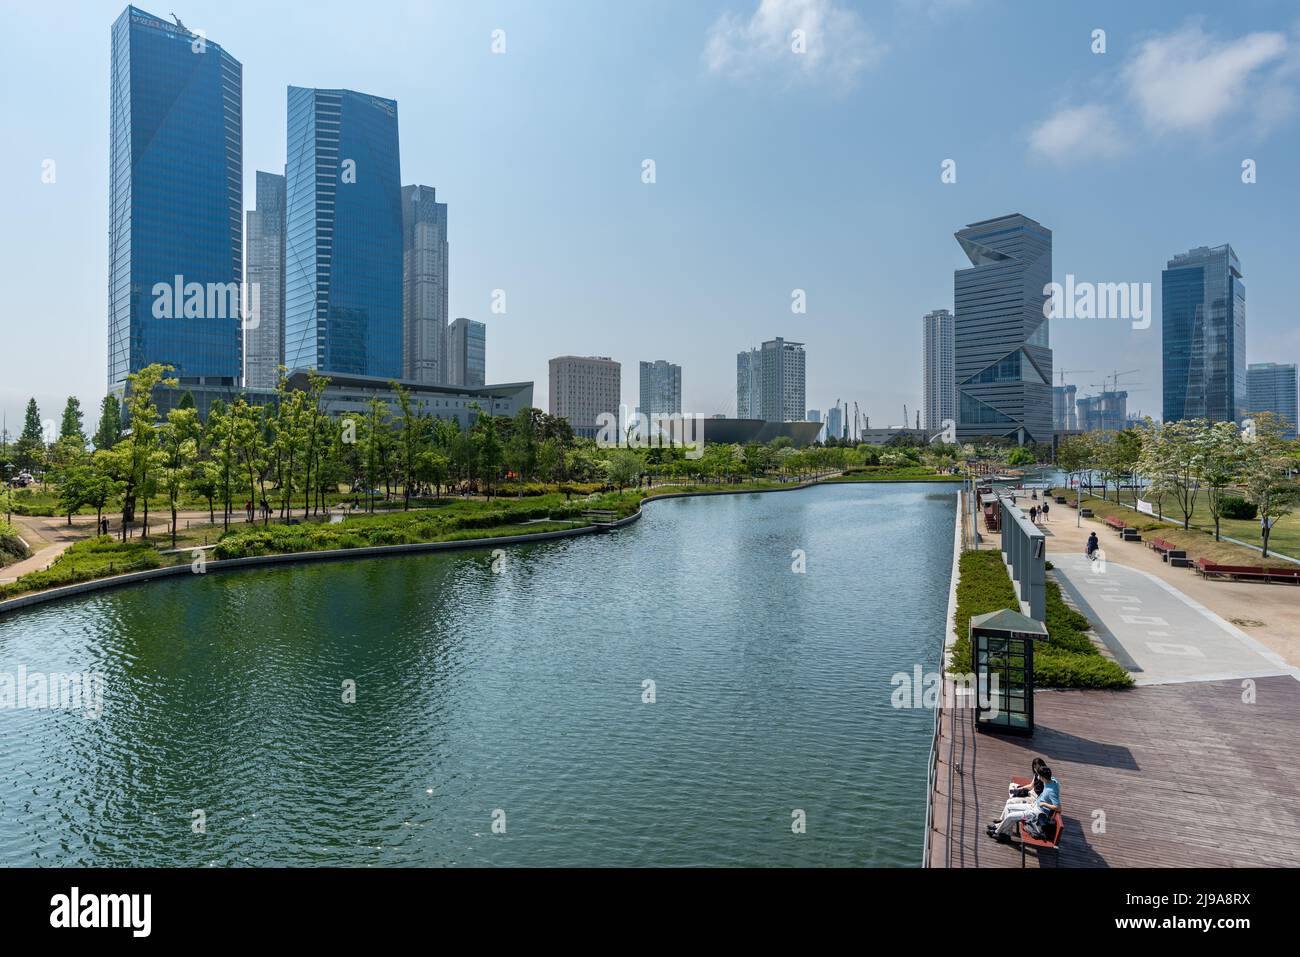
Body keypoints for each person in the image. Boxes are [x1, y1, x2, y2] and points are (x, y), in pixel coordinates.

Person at [989, 765, 1060, 842]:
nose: (1038, 778)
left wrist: (1044, 804)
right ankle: (1006, 834)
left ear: (1043, 777)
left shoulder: (1051, 791)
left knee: (1010, 816)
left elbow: (1058, 807)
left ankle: (997, 832)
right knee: (1008, 807)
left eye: (1039, 776)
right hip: (1033, 806)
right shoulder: (1052, 780)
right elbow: (1055, 784)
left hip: (1036, 814)